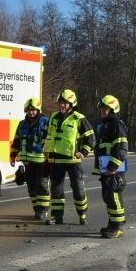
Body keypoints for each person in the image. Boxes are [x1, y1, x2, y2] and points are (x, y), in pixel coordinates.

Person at [43, 89, 95, 225]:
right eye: (61, 102)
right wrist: (46, 153)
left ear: (72, 104)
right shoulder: (53, 117)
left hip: (73, 160)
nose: (62, 105)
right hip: (56, 159)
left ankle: (82, 213)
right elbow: (47, 135)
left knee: (78, 188)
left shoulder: (79, 118)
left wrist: (83, 152)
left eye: (65, 103)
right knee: (56, 189)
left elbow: (91, 138)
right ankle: (57, 216)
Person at [93, 94, 128, 238]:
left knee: (114, 197)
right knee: (107, 197)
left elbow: (121, 148)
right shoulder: (106, 125)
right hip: (107, 169)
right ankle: (112, 224)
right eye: (101, 108)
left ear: (113, 110)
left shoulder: (116, 124)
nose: (102, 111)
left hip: (114, 169)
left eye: (106, 109)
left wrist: (112, 168)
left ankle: (117, 227)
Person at [10, 97, 50, 220]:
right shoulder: (22, 124)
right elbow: (17, 141)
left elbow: (51, 140)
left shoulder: (46, 121)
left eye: (33, 110)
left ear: (38, 110)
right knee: (31, 187)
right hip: (27, 162)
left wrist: (50, 158)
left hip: (42, 161)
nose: (31, 112)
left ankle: (43, 210)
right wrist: (12, 155)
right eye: (29, 110)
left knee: (41, 186)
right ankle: (37, 209)